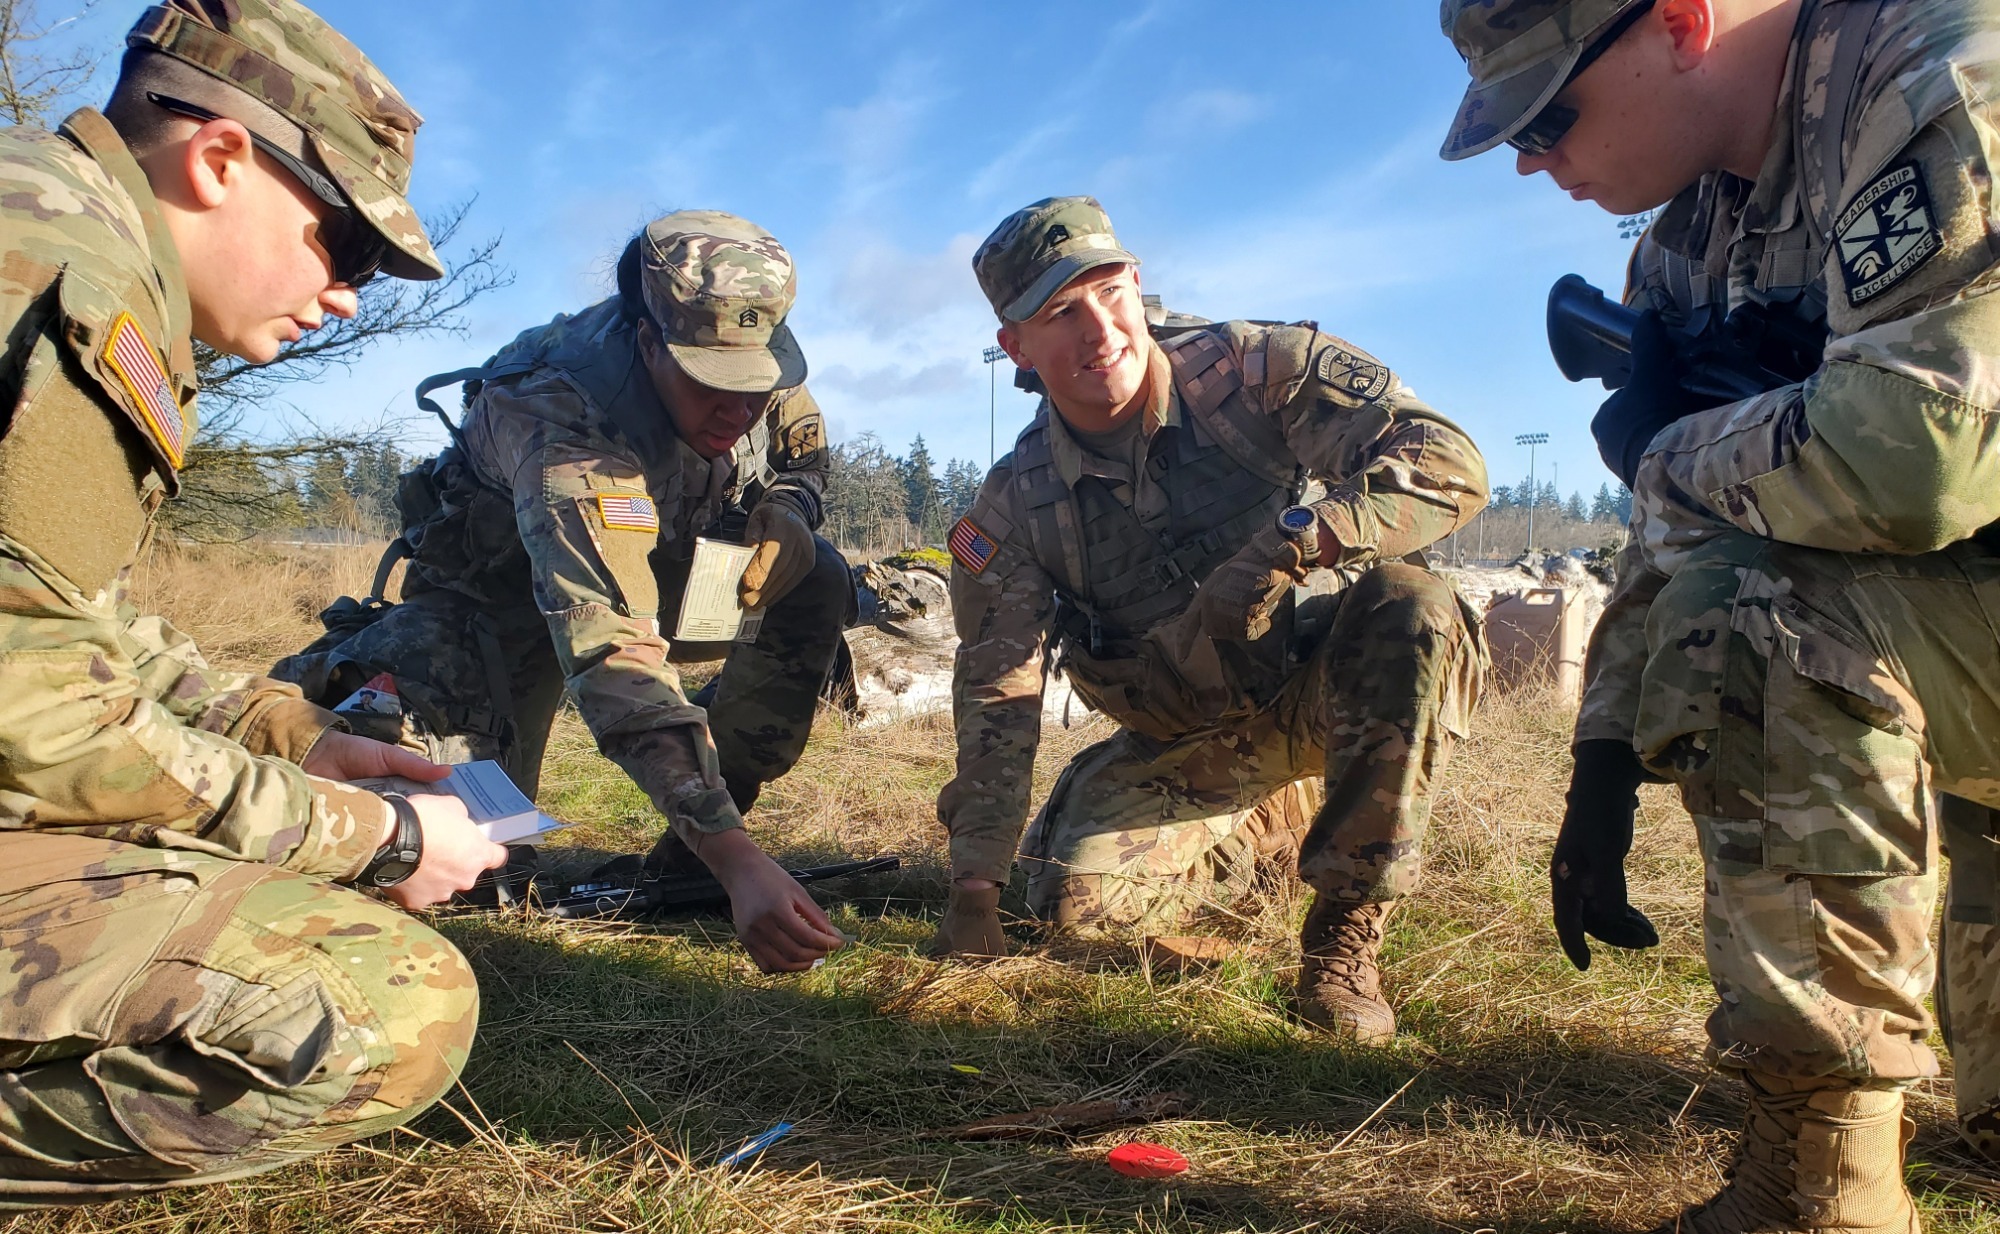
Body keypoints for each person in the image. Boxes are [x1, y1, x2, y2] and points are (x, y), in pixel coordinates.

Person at [1440, 0, 2000, 1228]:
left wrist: (1667, 447)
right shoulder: (1688, 240)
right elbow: (1681, 535)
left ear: (1682, 21)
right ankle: (1840, 1139)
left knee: (1769, 608)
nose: (1535, 163)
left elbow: (1914, 460)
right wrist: (1596, 769)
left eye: (1548, 117)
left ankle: (1818, 1199)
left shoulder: (1941, 75)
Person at [0, 0, 510, 1206]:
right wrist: (374, 837)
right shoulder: (77, 283)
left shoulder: (46, 222)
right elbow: (40, 718)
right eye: (344, 246)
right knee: (384, 1003)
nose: (350, 297)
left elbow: (77, 626)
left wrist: (296, 736)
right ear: (220, 159)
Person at [929, 196, 1489, 1044]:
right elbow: (997, 695)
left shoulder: (1256, 373)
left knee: (1414, 605)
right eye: (1060, 314)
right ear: (1016, 348)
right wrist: (975, 890)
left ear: (1138, 282)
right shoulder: (1013, 509)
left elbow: (1448, 463)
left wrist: (1297, 544)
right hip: (1189, 744)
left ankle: (1343, 938)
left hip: (1322, 701)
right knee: (1074, 915)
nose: (1101, 332)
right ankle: (1269, 821)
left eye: (1110, 292)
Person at [274, 211, 852, 975]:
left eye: (757, 384)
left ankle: (699, 834)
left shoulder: (753, 360)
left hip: (658, 570)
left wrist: (791, 508)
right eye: (715, 385)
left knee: (821, 576)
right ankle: (288, 727)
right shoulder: (561, 422)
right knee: (472, 875)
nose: (740, 408)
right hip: (497, 614)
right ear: (651, 344)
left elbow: (804, 451)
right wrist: (741, 864)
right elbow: (613, 650)